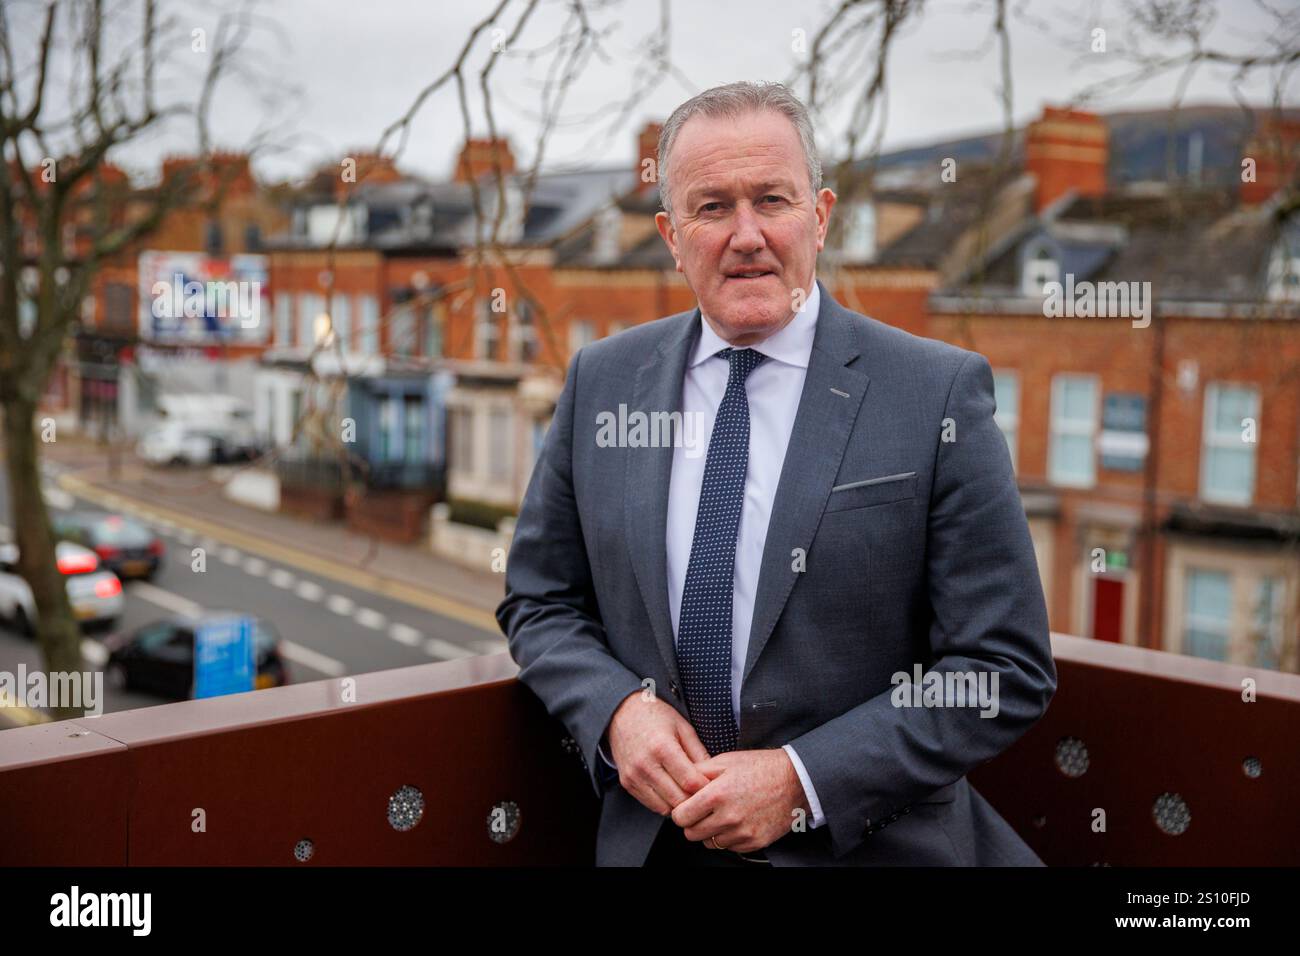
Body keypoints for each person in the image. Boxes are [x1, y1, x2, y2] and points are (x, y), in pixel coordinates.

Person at [496, 80, 1056, 866]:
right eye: (712, 207)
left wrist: (802, 781)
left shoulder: (934, 392)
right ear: (671, 234)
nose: (747, 235)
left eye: (772, 200)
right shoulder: (603, 381)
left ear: (820, 217)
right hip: (657, 846)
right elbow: (539, 599)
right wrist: (618, 711)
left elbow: (1003, 668)